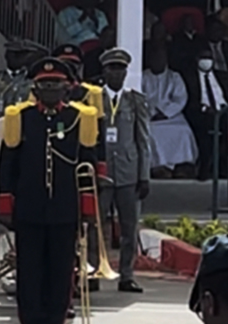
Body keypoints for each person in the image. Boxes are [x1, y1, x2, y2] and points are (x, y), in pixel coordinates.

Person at [0, 57, 100, 324]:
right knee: (29, 275)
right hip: (29, 208)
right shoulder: (22, 118)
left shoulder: (79, 119)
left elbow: (88, 165)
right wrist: (5, 203)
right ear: (35, 88)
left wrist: (89, 209)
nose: (50, 90)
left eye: (55, 85)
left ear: (67, 88)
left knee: (60, 275)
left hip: (65, 210)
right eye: (44, 85)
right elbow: (8, 164)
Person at [97, 49, 151, 294]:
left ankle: (127, 275)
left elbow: (143, 140)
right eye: (112, 69)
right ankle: (93, 271)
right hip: (102, 171)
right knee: (95, 226)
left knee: (129, 228)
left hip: (128, 172)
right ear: (104, 71)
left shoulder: (134, 100)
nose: (117, 74)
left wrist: (144, 175)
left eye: (121, 69)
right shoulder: (93, 99)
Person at [141, 47, 198, 177]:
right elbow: (139, 98)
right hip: (150, 116)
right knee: (150, 132)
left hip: (172, 115)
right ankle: (158, 166)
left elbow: (180, 99)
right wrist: (151, 113)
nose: (158, 61)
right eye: (155, 58)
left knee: (184, 131)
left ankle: (182, 165)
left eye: (161, 58)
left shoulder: (174, 77)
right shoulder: (143, 76)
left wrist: (165, 113)